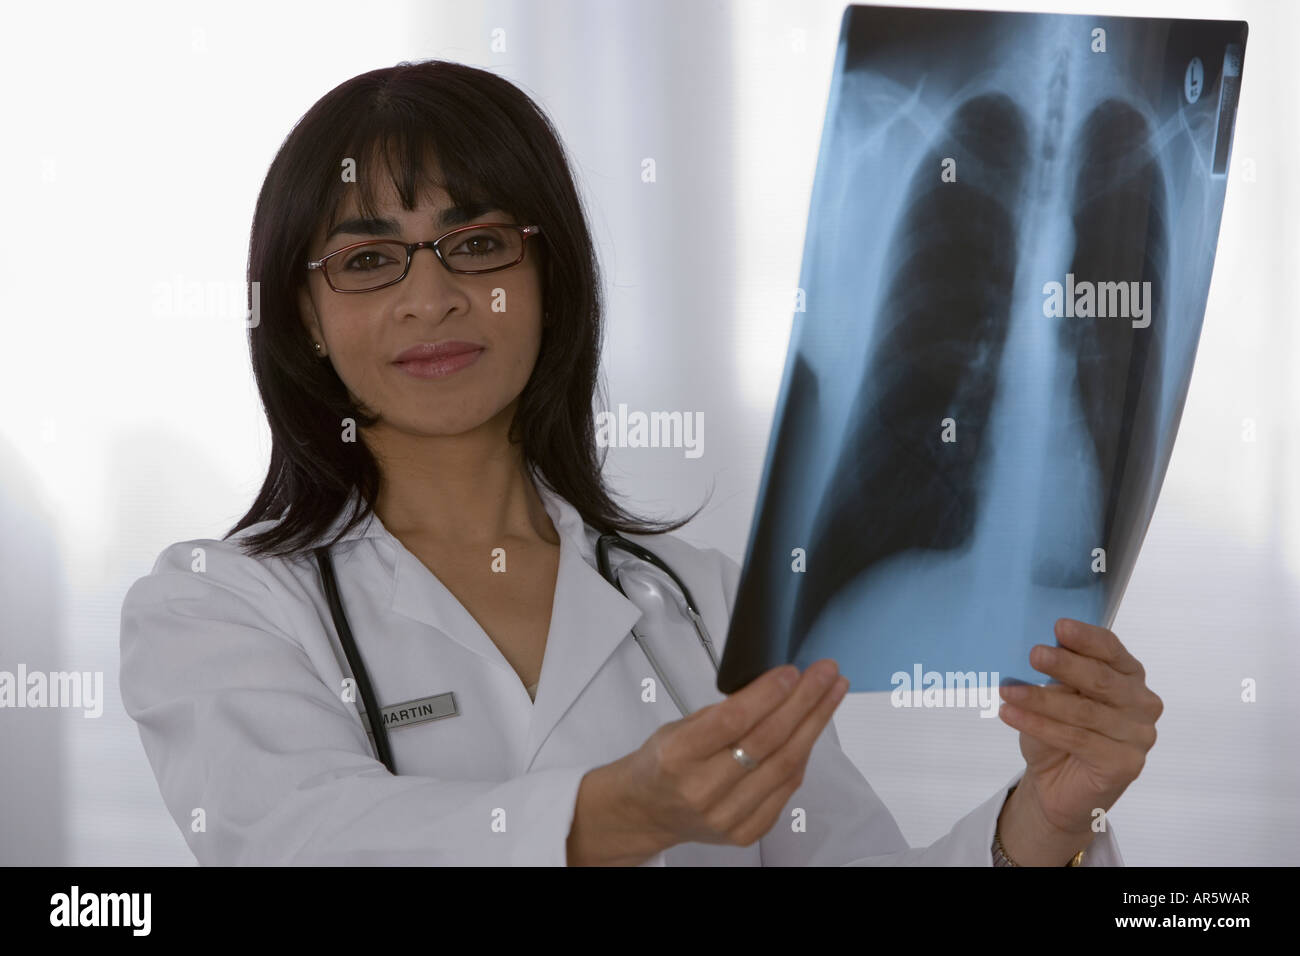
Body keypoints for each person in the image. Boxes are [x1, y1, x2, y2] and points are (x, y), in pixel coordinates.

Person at [119, 59, 1162, 866]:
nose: (428, 297)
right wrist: (602, 815)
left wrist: (1044, 818)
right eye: (366, 258)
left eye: (477, 243)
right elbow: (298, 842)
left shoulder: (703, 604)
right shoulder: (220, 605)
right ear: (302, 316)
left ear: (549, 277)